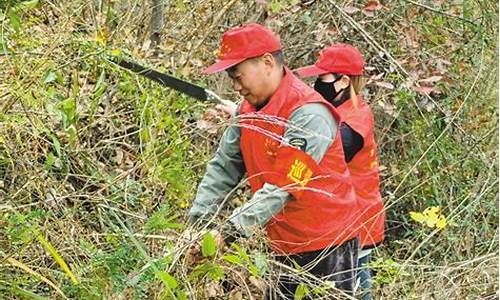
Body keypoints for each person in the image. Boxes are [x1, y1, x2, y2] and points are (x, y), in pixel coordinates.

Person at [187, 23, 361, 298]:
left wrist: (229, 231)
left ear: (267, 62)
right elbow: (224, 167)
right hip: (281, 242)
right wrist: (199, 224)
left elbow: (284, 186)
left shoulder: (309, 114)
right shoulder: (247, 110)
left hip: (327, 245)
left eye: (238, 75)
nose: (236, 86)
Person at [295, 44, 385, 300]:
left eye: (322, 78)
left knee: (355, 290)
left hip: (357, 223)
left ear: (344, 81)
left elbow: (324, 150)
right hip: (341, 224)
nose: (316, 83)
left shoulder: (357, 117)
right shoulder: (336, 111)